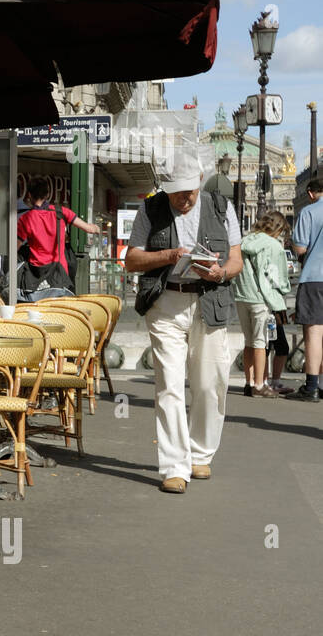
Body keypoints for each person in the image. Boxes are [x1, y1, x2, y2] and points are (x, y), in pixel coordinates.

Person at [124, 155, 242, 494]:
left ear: (200, 180)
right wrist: (169, 256)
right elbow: (131, 259)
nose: (183, 199)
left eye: (189, 192)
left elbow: (236, 259)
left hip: (209, 299)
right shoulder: (150, 210)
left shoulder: (221, 208)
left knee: (209, 384)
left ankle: (200, 453)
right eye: (176, 193)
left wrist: (221, 272)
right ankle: (174, 465)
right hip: (166, 303)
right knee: (170, 386)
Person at [231, 210, 291, 397]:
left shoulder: (245, 241)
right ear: (279, 229)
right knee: (261, 342)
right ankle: (260, 385)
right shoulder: (274, 246)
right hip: (261, 298)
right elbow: (276, 276)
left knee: (249, 341)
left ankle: (249, 383)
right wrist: (284, 288)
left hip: (242, 296)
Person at [17, 176, 101, 300]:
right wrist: (97, 228)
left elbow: (16, 247)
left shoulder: (26, 219)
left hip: (35, 276)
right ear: (47, 194)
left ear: (29, 195)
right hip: (59, 274)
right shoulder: (61, 212)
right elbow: (89, 229)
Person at [287, 178, 323, 401]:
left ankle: (311, 387)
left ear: (310, 193)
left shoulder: (309, 212)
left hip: (315, 277)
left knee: (314, 332)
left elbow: (300, 247)